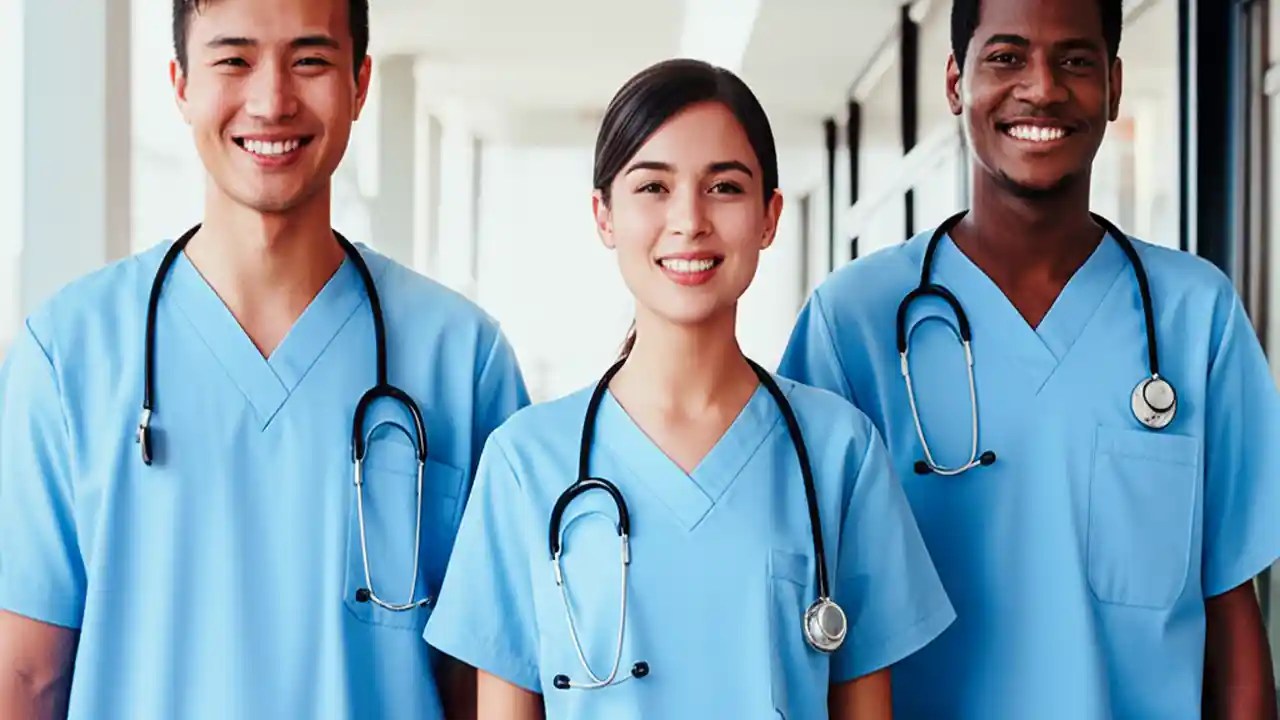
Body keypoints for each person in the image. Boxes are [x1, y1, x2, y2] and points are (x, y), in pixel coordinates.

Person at [0, 0, 528, 717]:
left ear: (359, 83)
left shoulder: (462, 361)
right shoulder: (67, 355)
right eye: (234, 59)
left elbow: (488, 687)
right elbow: (25, 678)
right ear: (181, 84)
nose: (272, 100)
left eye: (309, 60)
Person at [779, 0, 1280, 717]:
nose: (1042, 88)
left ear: (1112, 84)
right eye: (1005, 58)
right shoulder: (853, 322)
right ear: (956, 82)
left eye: (1075, 61)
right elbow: (808, 614)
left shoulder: (1194, 316)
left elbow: (1232, 609)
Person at [422, 58, 955, 719]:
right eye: (653, 187)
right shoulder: (525, 463)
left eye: (724, 187)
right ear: (604, 215)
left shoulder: (840, 451)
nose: (689, 220)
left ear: (769, 217)